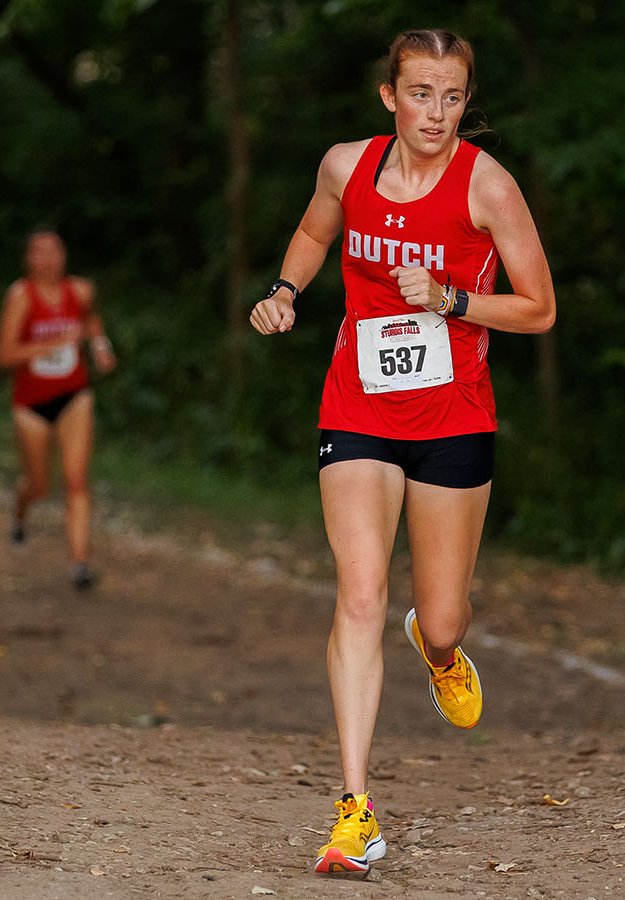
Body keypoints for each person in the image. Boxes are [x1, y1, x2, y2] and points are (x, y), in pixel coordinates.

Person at [249, 28, 556, 876]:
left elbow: (539, 309)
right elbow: (314, 235)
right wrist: (285, 291)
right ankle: (356, 811)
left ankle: (440, 648)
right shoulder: (346, 166)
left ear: (466, 100)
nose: (436, 112)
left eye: (452, 96)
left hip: (455, 414)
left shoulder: (488, 186)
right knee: (358, 593)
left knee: (443, 614)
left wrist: (457, 299)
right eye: (420, 93)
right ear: (390, 96)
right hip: (358, 404)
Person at [0, 230, 117, 590]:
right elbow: (4, 355)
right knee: (39, 484)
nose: (47, 259)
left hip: (74, 396)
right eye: (38, 252)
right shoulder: (21, 296)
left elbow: (90, 320)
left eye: (54, 251)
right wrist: (51, 343)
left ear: (64, 255)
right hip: (31, 405)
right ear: (27, 259)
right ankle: (20, 511)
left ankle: (79, 564)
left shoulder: (80, 291)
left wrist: (100, 346)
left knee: (76, 480)